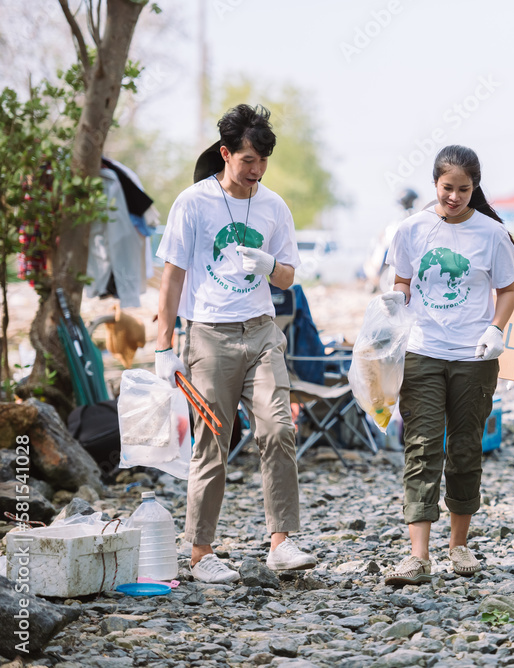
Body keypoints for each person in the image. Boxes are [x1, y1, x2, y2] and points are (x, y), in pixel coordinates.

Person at [154, 104, 316, 584]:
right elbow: (172, 276)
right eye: (248, 160)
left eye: (263, 161)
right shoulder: (193, 202)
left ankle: (281, 543)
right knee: (212, 443)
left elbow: (288, 277)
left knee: (278, 430)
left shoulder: (274, 206)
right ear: (225, 154)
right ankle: (201, 552)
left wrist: (268, 265)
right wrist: (163, 347)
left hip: (262, 331)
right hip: (208, 335)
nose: (256, 170)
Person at [380, 145, 514, 585]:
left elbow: (508, 290)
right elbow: (403, 280)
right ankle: (418, 555)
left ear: (475, 187)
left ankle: (459, 545)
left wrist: (496, 329)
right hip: (422, 350)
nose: (454, 197)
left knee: (465, 447)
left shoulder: (492, 234)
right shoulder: (411, 230)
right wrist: (395, 298)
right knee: (422, 445)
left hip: (474, 356)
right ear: (434, 184)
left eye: (464, 189)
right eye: (447, 188)